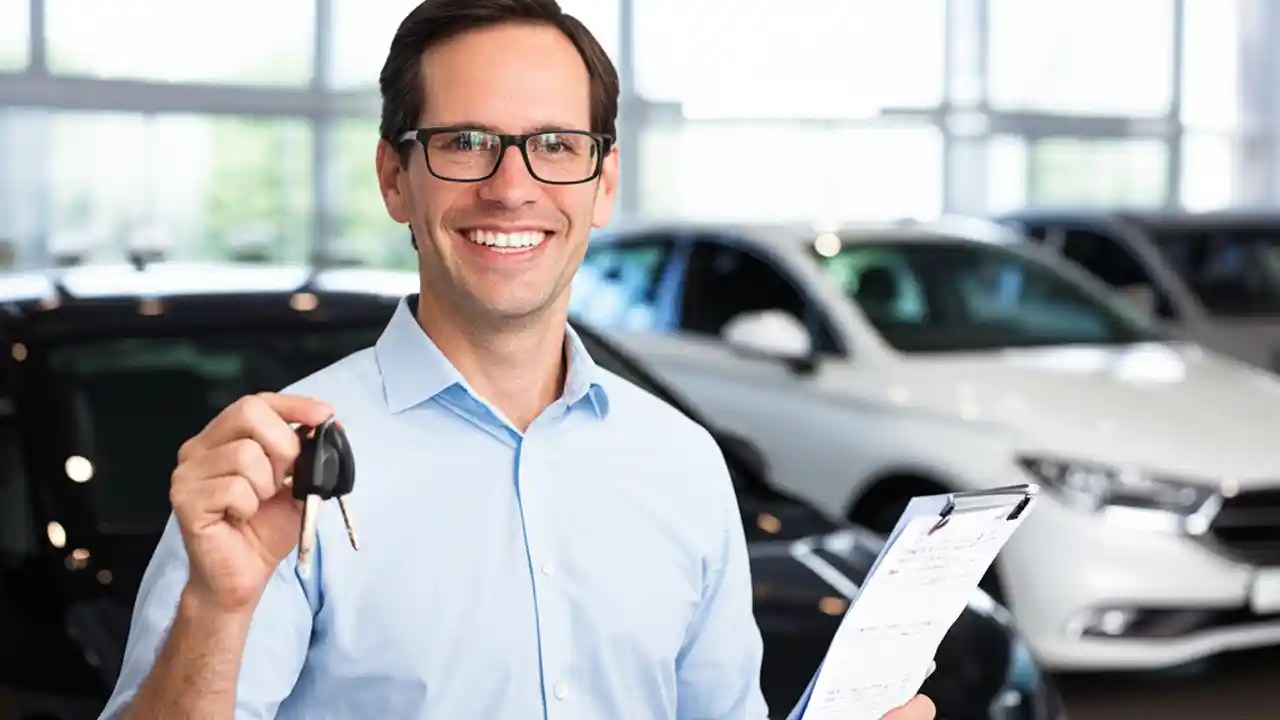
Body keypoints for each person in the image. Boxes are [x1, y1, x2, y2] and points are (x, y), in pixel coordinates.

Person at [99, 1, 937, 718]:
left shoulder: (680, 464)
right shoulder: (281, 475)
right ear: (396, 177)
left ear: (603, 182)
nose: (511, 187)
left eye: (557, 145)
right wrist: (216, 609)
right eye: (466, 142)